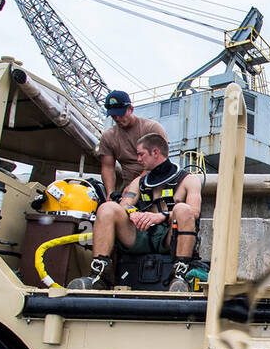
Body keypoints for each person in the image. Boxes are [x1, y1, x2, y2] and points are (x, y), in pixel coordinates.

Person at [73, 133, 202, 290]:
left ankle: (180, 275)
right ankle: (99, 274)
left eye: (141, 154)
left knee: (183, 209)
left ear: (155, 152)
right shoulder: (139, 182)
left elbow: (194, 212)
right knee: (107, 208)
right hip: (142, 234)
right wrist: (133, 213)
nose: (138, 159)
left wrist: (160, 216)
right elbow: (124, 205)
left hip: (170, 237)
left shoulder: (188, 180)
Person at [97, 89, 169, 198]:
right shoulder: (108, 137)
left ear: (130, 109)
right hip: (128, 183)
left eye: (121, 114)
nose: (117, 118)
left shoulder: (152, 128)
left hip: (156, 180)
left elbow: (161, 161)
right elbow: (108, 167)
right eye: (114, 115)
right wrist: (110, 194)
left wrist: (135, 185)